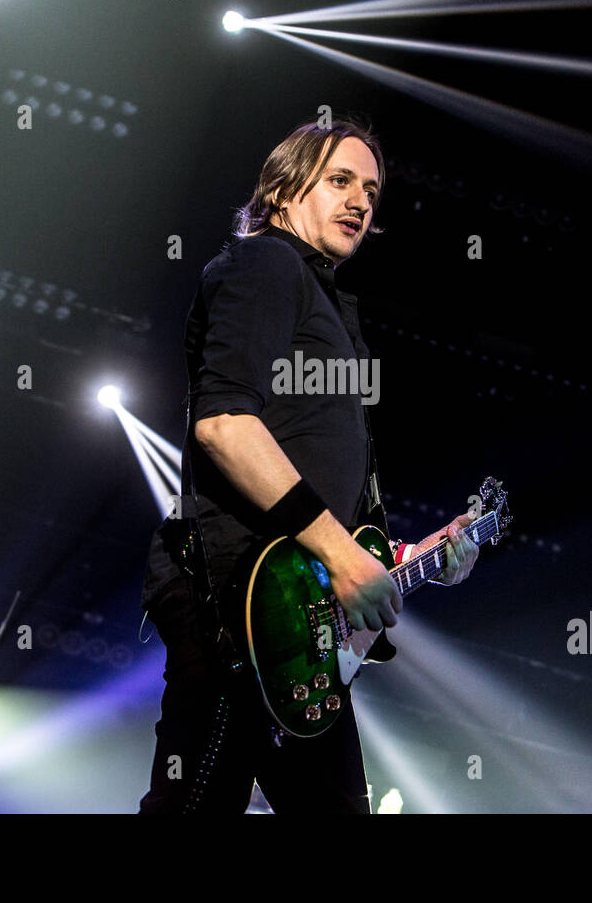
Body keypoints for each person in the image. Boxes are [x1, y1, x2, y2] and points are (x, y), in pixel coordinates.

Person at [138, 118, 479, 814]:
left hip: (296, 618)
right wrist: (341, 557)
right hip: (239, 602)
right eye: (340, 180)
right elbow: (225, 425)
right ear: (285, 189)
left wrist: (411, 554)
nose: (361, 201)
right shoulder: (266, 263)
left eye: (372, 191)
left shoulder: (322, 301)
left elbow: (340, 517)